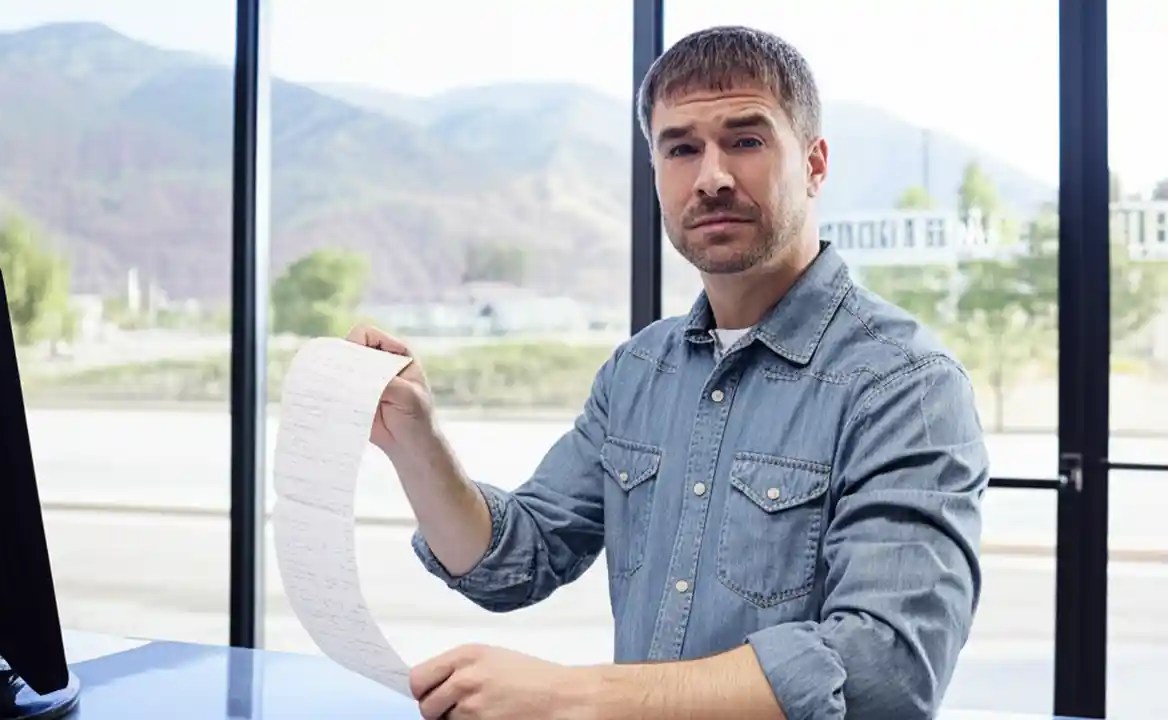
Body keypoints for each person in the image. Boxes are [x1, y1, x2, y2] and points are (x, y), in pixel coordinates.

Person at [347, 24, 989, 720]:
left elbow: (884, 672)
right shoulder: (639, 370)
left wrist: (572, 695)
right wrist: (416, 440)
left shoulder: (907, 385)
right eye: (681, 148)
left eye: (745, 140)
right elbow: (514, 561)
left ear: (814, 163)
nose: (711, 176)